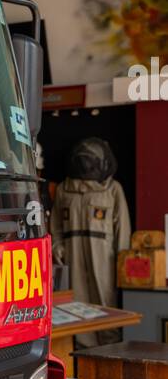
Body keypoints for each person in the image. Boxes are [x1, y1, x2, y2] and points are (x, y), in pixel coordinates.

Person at [50, 138, 131, 344]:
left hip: (105, 258)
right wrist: (57, 247)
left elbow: (122, 227)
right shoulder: (63, 190)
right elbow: (56, 224)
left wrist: (122, 263)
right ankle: (81, 357)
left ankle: (109, 353)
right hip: (73, 255)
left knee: (106, 306)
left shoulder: (112, 189)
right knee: (76, 307)